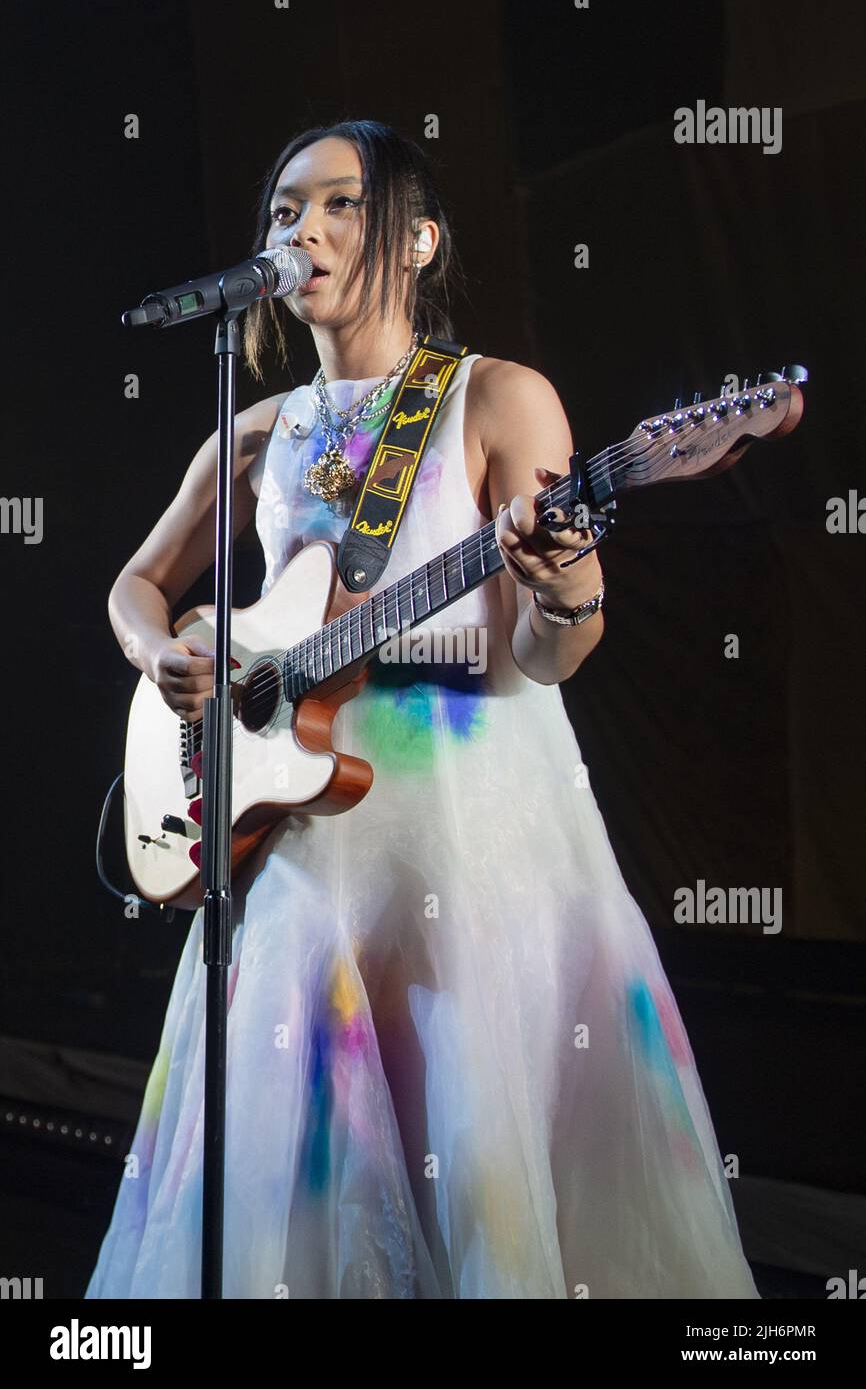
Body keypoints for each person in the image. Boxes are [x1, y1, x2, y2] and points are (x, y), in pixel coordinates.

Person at [86, 119, 759, 1299]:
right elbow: (134, 583)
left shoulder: (497, 399)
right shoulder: (256, 433)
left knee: (480, 1154)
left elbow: (554, 654)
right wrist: (164, 658)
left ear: (419, 236)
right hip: (300, 851)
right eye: (285, 210)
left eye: (339, 204)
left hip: (475, 836)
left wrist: (562, 585)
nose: (304, 229)